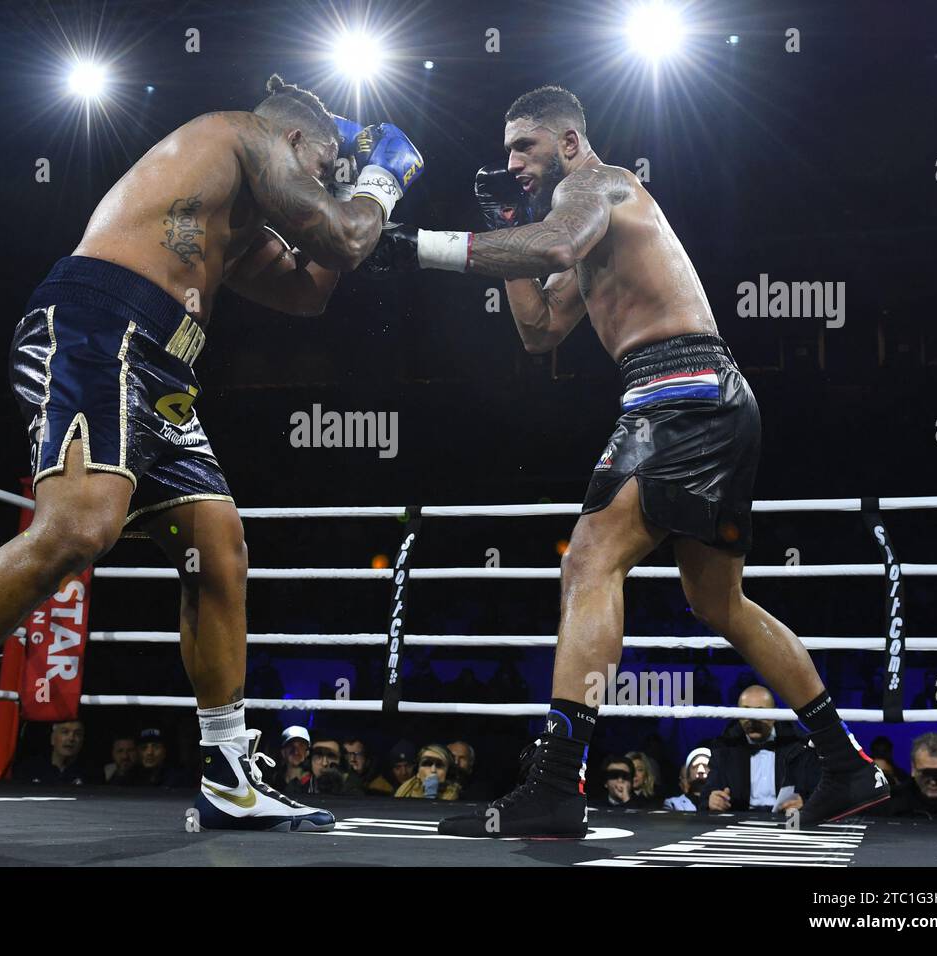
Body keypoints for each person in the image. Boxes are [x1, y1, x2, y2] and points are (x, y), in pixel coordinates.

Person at [0, 75, 425, 834]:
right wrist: (377, 185)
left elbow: (312, 290)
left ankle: (230, 769)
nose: (324, 182)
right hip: (100, 328)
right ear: (296, 140)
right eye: (325, 165)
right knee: (76, 532)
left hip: (165, 366)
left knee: (219, 550)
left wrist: (360, 219)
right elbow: (343, 232)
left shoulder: (235, 219)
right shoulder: (243, 131)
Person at [367, 85, 888, 836]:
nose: (512, 160)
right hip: (712, 397)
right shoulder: (582, 223)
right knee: (719, 603)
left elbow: (553, 246)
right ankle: (847, 765)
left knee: (587, 563)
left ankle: (553, 784)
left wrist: (418, 246)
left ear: (570, 143)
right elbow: (539, 330)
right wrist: (503, 227)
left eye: (526, 146)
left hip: (679, 393)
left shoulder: (598, 186)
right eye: (507, 148)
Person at [699, 686, 820, 814]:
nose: (752, 720)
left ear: (775, 714)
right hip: (739, 819)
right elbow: (706, 796)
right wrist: (712, 801)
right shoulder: (724, 747)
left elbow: (819, 791)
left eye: (760, 712)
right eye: (746, 712)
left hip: (787, 819)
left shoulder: (799, 745)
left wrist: (805, 802)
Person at [13, 719, 92, 786]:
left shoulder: (91, 774)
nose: (71, 738)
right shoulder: (29, 769)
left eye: (77, 734)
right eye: (65, 732)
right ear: (53, 738)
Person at [394, 744, 461, 800]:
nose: (433, 770)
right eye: (427, 764)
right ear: (418, 772)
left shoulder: (460, 799)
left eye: (439, 765)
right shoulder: (404, 792)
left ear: (448, 771)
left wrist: (430, 796)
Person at [664, 747, 710, 811]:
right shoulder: (673, 803)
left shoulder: (722, 802)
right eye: (695, 767)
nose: (701, 770)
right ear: (688, 774)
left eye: (706, 766)